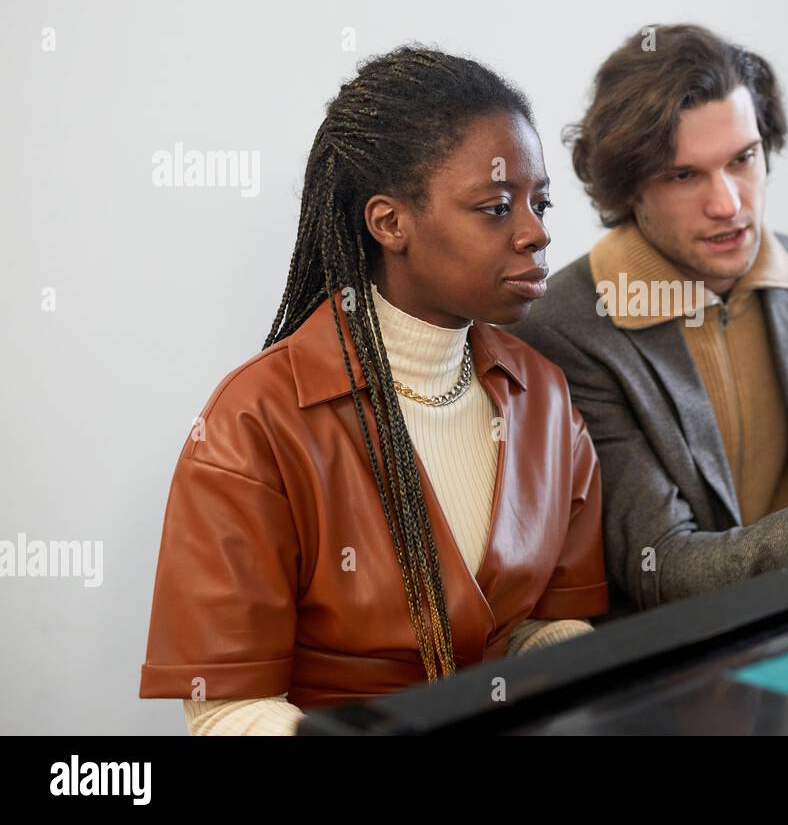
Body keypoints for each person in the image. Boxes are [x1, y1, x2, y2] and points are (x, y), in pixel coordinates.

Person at [140, 45, 607, 735]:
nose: (536, 233)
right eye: (496, 207)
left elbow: (547, 623)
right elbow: (230, 707)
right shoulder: (254, 423)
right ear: (390, 223)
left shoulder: (541, 395)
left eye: (539, 202)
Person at [510, 24, 788, 614]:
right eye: (684, 175)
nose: (728, 204)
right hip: (688, 656)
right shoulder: (566, 326)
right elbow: (660, 566)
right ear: (628, 189)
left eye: (743, 159)